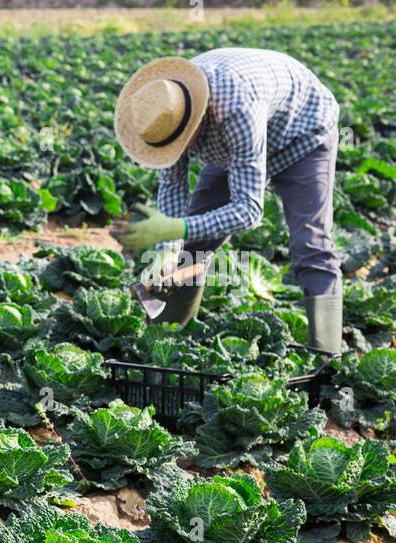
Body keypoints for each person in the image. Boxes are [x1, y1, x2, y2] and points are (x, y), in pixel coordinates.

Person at [110, 50, 342, 353]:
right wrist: (167, 250)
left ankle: (327, 358)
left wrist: (176, 227)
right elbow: (172, 186)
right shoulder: (165, 115)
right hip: (236, 146)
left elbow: (248, 210)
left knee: (311, 245)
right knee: (191, 249)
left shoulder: (234, 108)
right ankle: (166, 344)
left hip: (302, 135)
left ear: (194, 123)